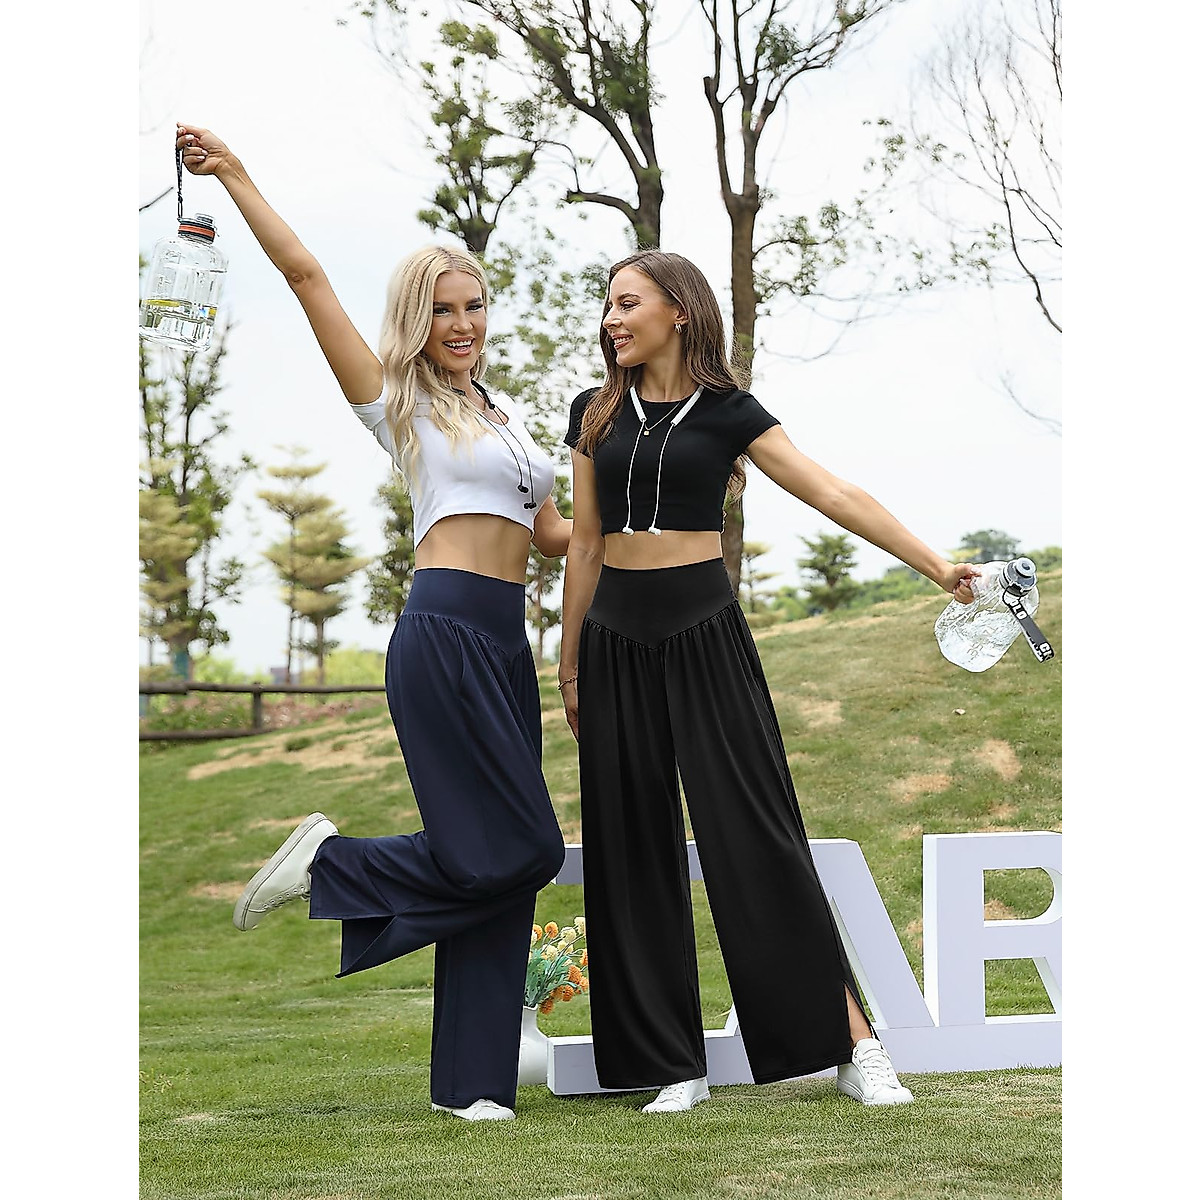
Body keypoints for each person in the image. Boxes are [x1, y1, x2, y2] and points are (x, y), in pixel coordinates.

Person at [174, 124, 571, 1122]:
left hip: (506, 641)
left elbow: (556, 536)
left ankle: (472, 1086)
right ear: (415, 319)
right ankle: (333, 863)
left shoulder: (508, 416)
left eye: (473, 305)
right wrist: (237, 175)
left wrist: (654, 499)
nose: (462, 323)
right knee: (524, 846)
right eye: (442, 309)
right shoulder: (397, 402)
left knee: (498, 859)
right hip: (443, 634)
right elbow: (307, 275)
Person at [557, 250, 977, 1114]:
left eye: (627, 303)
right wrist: (569, 663)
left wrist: (937, 566)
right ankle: (670, 1064)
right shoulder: (595, 412)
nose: (611, 319)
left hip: (704, 630)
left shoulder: (730, 412)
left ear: (679, 310)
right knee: (630, 849)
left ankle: (852, 1046)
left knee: (759, 838)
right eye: (608, 305)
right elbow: (587, 544)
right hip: (614, 640)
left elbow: (832, 492)